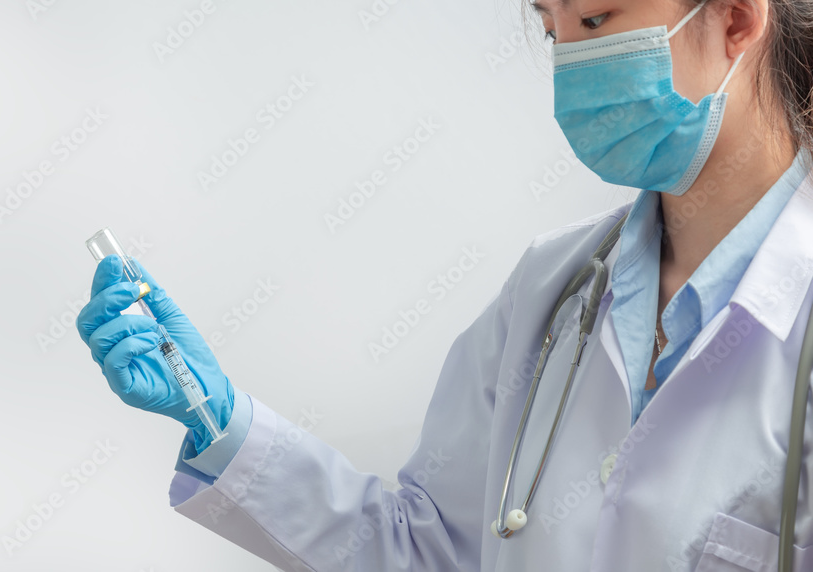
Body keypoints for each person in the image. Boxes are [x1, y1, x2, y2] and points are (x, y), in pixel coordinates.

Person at [75, 0, 813, 569]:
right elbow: (429, 552)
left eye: (595, 21)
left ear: (736, 20)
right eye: (552, 31)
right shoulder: (550, 293)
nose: (574, 67)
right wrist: (219, 420)